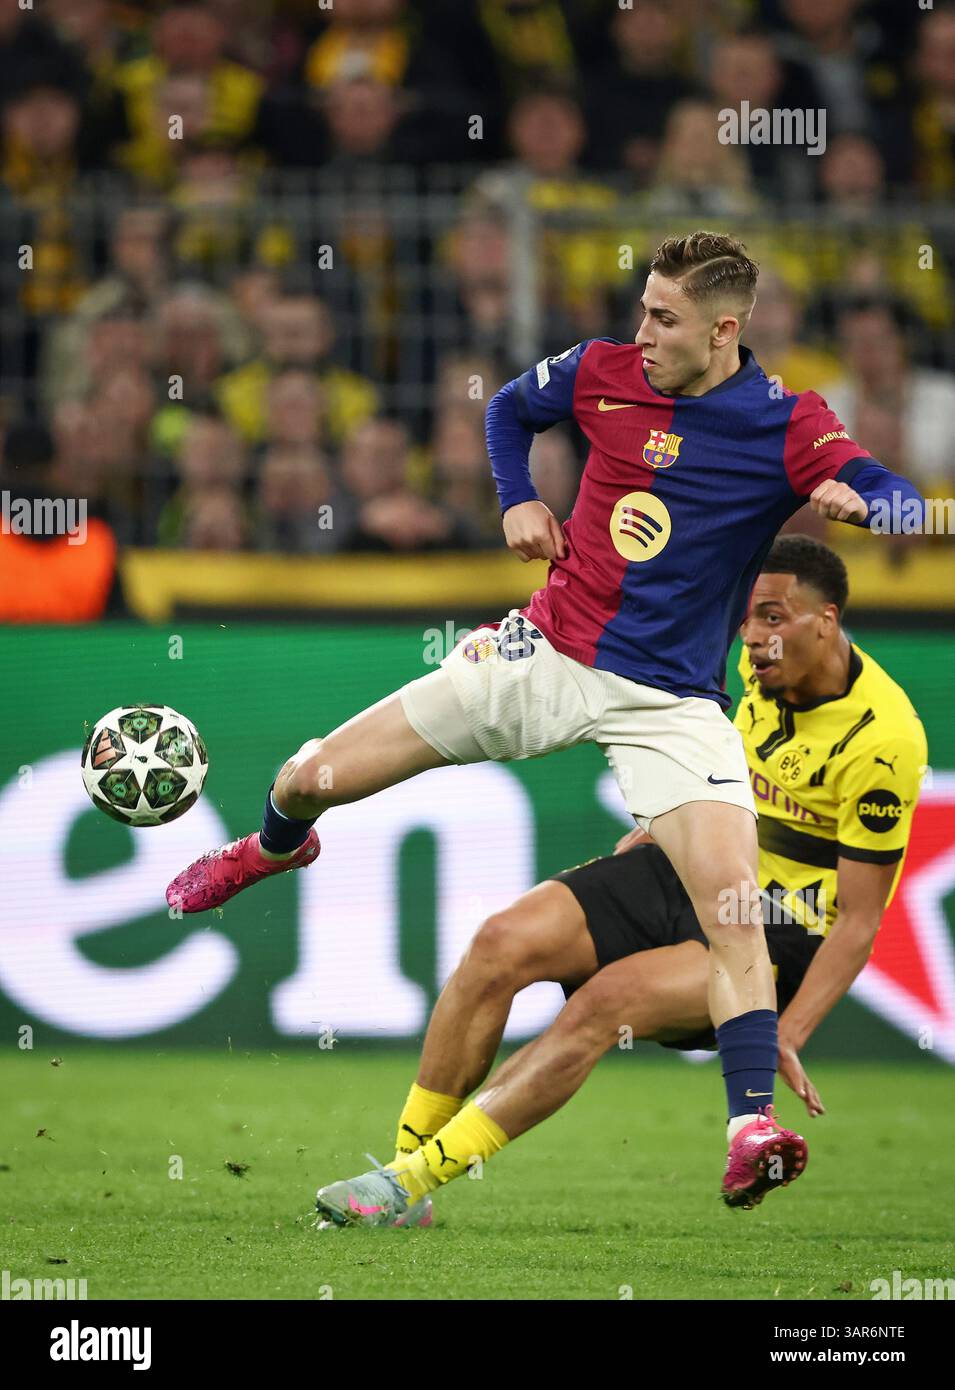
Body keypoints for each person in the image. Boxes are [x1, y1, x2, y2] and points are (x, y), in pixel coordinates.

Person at [165, 231, 923, 1204]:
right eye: (642, 308)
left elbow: (900, 497)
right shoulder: (603, 371)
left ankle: (747, 1125)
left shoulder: (785, 422)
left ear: (724, 330)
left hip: (668, 700)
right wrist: (518, 497)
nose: (640, 332)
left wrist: (867, 504)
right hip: (548, 650)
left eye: (664, 318)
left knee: (733, 903)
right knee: (310, 778)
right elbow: (509, 410)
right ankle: (273, 847)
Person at [312, 537, 928, 1225]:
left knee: (603, 1004)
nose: (752, 638)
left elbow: (858, 920)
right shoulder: (760, 675)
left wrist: (788, 1029)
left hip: (777, 930)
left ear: (826, 620)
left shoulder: (883, 740)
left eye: (773, 619)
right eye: (747, 619)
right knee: (498, 944)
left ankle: (407, 1184)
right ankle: (403, 1165)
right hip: (687, 869)